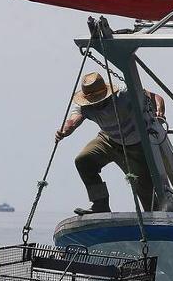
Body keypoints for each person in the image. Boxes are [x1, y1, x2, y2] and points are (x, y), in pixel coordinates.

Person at [55, 72, 166, 214]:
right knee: (83, 161)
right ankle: (100, 204)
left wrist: (160, 112)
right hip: (109, 140)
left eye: (99, 99)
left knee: (146, 192)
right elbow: (73, 121)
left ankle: (155, 219)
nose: (97, 103)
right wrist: (64, 131)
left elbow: (156, 97)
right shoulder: (85, 106)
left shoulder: (125, 94)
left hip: (136, 145)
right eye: (93, 100)